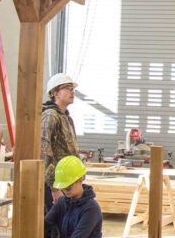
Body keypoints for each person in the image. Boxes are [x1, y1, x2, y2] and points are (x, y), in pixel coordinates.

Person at [41, 73, 81, 217]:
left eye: (73, 88)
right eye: (67, 88)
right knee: (54, 225)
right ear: (55, 93)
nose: (72, 92)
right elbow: (45, 153)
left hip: (67, 182)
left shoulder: (66, 118)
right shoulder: (50, 116)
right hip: (55, 183)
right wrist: (53, 187)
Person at [43, 156, 103, 238]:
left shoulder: (91, 209)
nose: (65, 191)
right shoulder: (62, 202)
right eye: (62, 188)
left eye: (68, 187)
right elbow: (44, 224)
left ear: (80, 180)